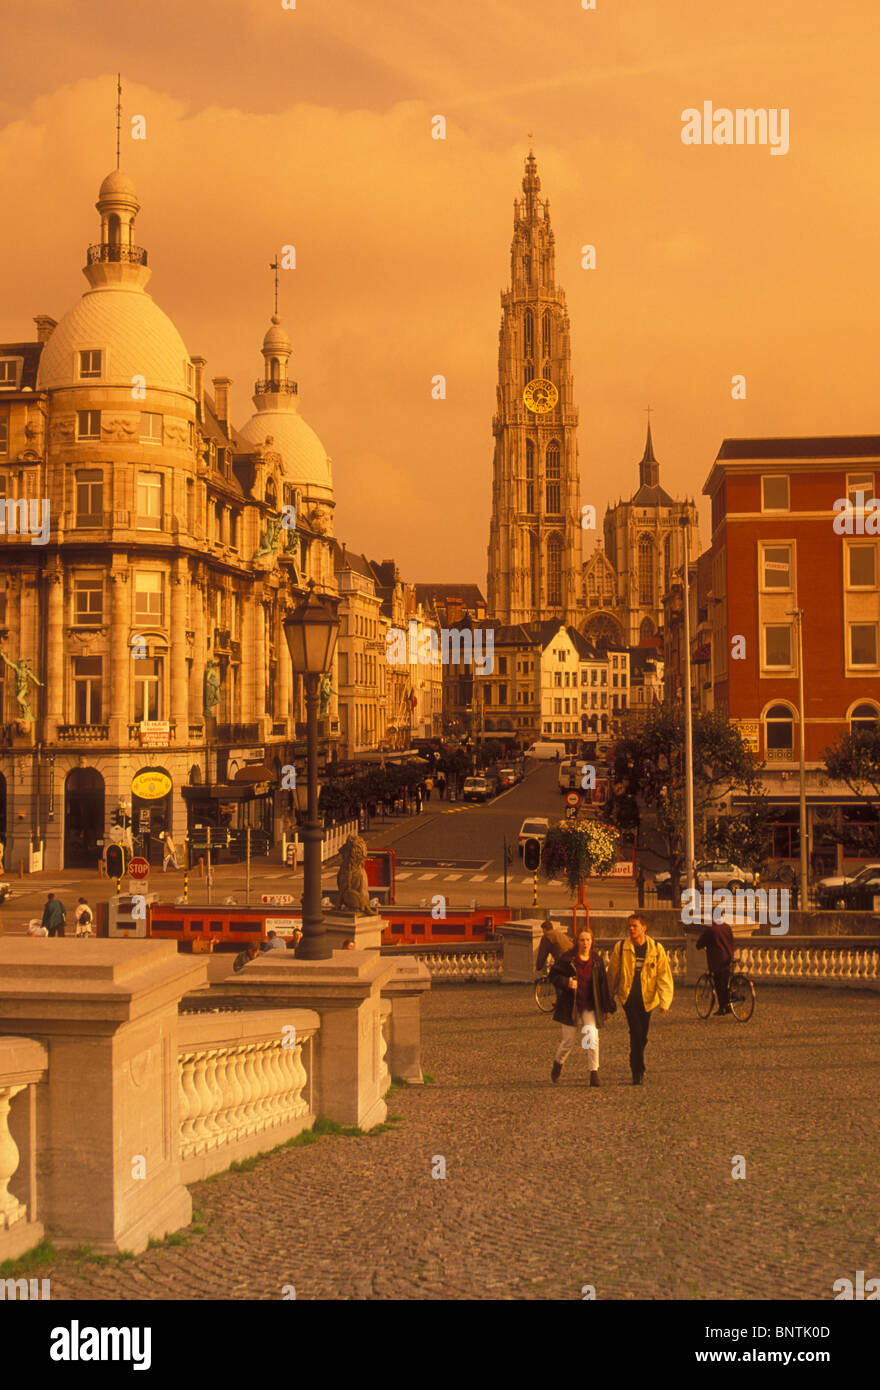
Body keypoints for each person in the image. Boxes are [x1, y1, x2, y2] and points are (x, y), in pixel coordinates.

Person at [607, 913, 674, 1085]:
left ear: (644, 928)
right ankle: (637, 1069)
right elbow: (612, 975)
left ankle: (637, 1061)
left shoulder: (656, 948)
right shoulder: (621, 947)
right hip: (628, 998)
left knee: (642, 1036)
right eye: (629, 926)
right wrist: (609, 999)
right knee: (636, 1032)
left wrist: (664, 1001)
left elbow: (664, 976)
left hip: (648, 999)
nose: (631, 929)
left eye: (634, 926)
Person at [549, 926, 615, 1087]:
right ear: (577, 941)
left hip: (589, 1006)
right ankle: (558, 1064)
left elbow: (602, 985)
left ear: (592, 942)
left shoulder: (597, 961)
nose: (585, 943)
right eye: (582, 940)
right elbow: (553, 975)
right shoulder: (568, 959)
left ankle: (593, 1073)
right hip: (570, 1005)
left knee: (591, 1037)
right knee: (568, 1042)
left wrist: (606, 1007)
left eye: (588, 940)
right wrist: (567, 982)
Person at [696, 915, 735, 1015]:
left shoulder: (712, 930)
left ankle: (722, 1008)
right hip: (728, 958)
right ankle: (728, 1005)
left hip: (717, 960)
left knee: (719, 984)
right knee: (725, 983)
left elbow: (700, 943)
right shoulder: (727, 927)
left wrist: (699, 946)